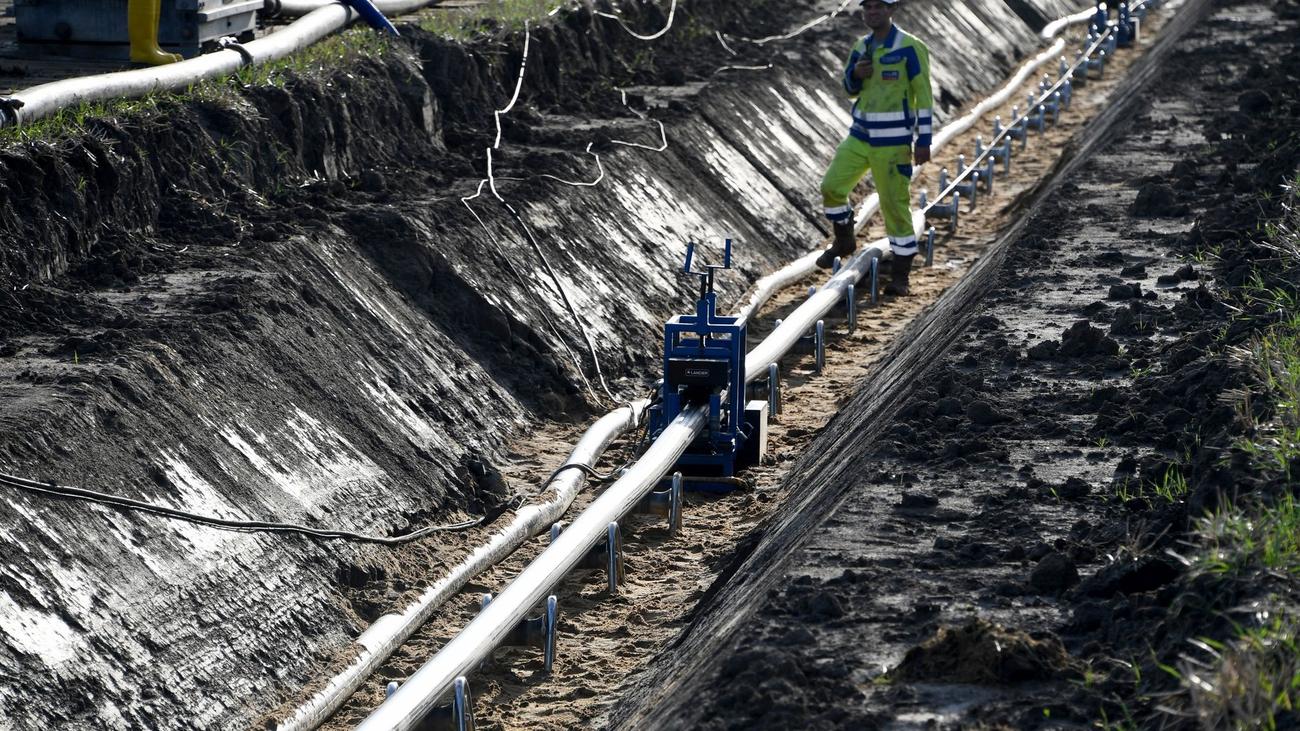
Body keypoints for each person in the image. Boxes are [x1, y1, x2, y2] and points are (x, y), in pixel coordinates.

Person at [815, 0, 933, 297]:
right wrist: (856, 74)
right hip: (860, 136)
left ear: (891, 10)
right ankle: (844, 240)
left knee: (894, 206)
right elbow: (848, 89)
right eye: (868, 8)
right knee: (831, 187)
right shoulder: (861, 47)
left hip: (893, 143)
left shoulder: (910, 47)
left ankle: (901, 276)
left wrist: (924, 139)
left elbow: (924, 95)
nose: (873, 12)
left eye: (879, 7)